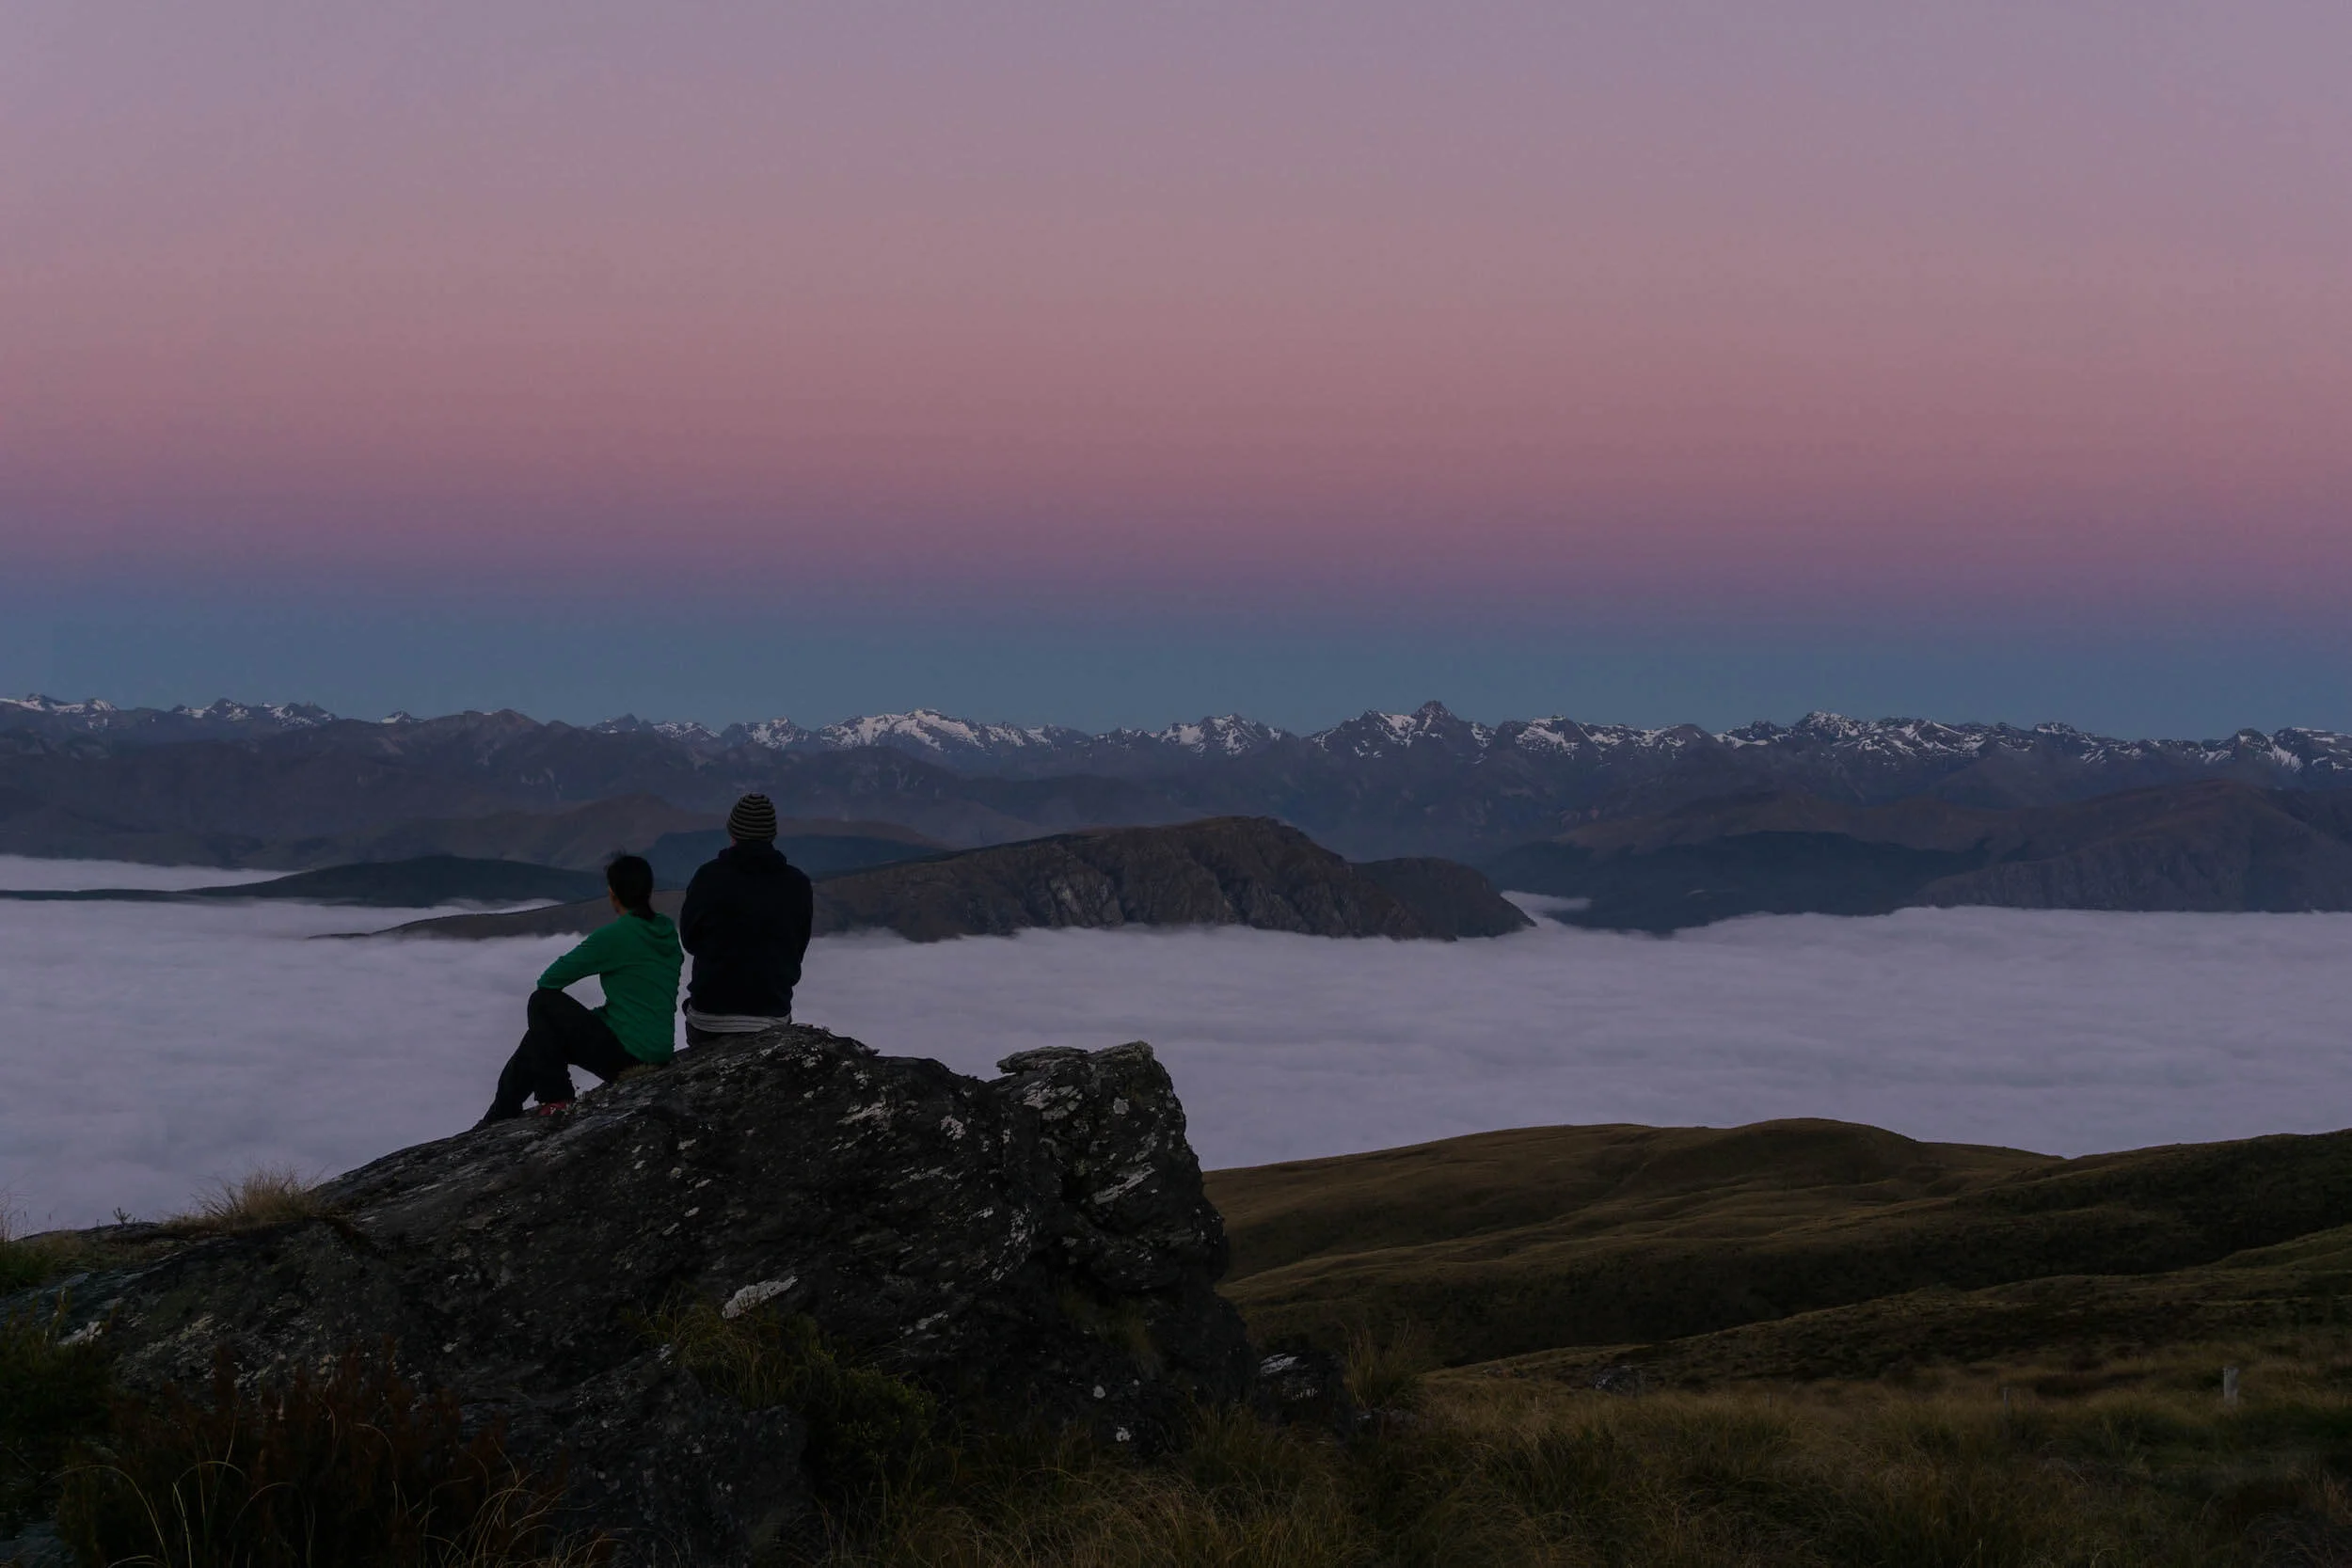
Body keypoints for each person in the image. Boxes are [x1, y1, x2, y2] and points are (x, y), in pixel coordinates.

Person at [480, 854, 682, 1122]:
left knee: (542, 1003)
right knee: (541, 1038)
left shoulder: (615, 936)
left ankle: (555, 1097)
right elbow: (641, 998)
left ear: (612, 893)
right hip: (658, 1049)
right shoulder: (665, 929)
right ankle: (500, 1113)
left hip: (631, 1055)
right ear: (648, 891)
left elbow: (550, 981)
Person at [679, 792, 815, 1046]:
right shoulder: (798, 884)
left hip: (710, 1017)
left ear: (732, 833)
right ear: (772, 835)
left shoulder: (708, 877)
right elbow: (797, 946)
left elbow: (690, 940)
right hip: (770, 1014)